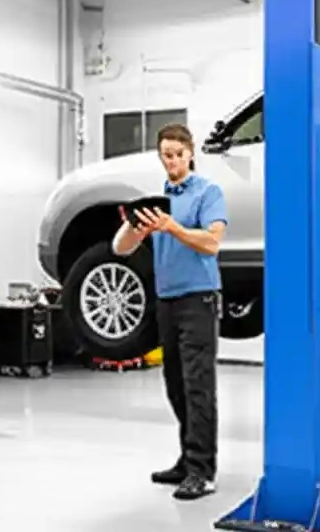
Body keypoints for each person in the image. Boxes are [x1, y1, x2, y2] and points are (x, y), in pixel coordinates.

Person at [112, 122, 228, 501]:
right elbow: (120, 249)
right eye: (166, 155)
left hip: (199, 299)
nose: (173, 161)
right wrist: (138, 228)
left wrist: (172, 227)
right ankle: (186, 458)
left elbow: (211, 243)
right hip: (167, 300)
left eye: (178, 154)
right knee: (175, 384)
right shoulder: (158, 198)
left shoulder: (208, 192)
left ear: (190, 153)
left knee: (199, 386)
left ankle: (202, 471)